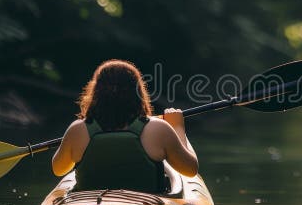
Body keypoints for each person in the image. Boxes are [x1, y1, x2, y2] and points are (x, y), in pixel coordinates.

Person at [52, 59, 198, 192]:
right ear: (138, 92)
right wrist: (178, 127)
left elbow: (58, 169)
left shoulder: (77, 130)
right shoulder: (158, 129)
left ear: (96, 92)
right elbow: (190, 170)